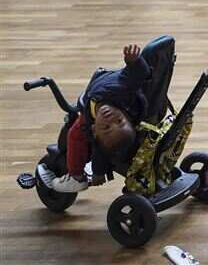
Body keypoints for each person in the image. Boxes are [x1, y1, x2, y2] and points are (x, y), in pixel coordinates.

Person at [41, 43, 151, 194]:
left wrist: (98, 172)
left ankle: (76, 177)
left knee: (75, 135)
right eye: (119, 121)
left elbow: (99, 150)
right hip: (103, 82)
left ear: (94, 130)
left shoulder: (91, 126)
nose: (110, 119)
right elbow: (141, 74)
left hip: (92, 102)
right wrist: (135, 61)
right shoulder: (123, 90)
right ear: (126, 115)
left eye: (106, 127)